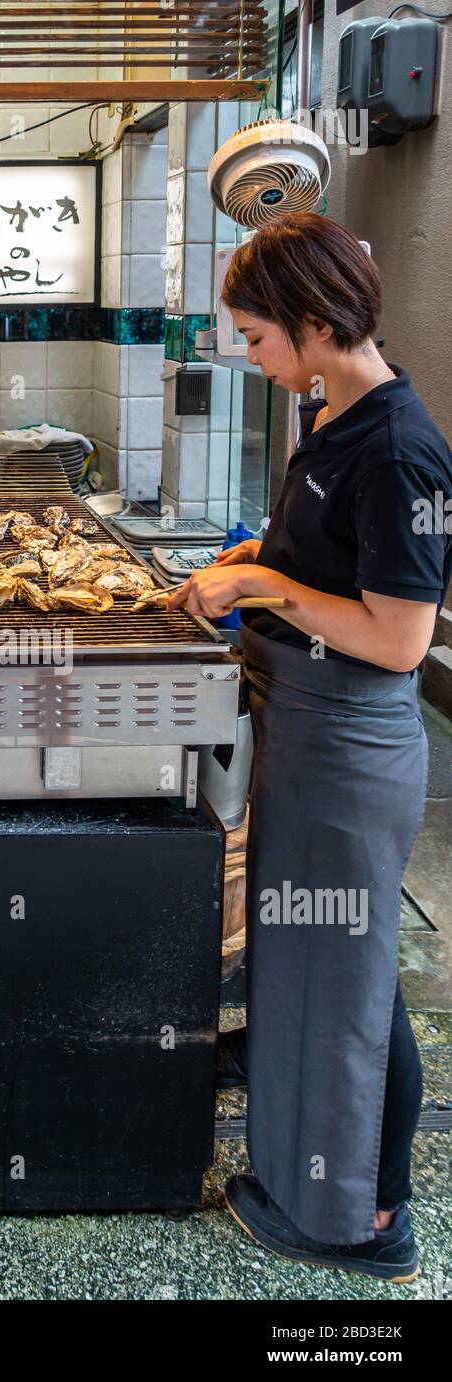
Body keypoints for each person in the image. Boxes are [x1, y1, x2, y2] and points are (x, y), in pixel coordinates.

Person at [169, 211, 452, 1282]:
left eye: (253, 334)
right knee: (315, 964)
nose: (248, 354)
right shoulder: (329, 416)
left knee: (352, 988)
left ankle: (364, 1222)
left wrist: (260, 583)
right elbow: (322, 561)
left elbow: (396, 635)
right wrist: (259, 554)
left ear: (314, 319)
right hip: (301, 723)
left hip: (350, 742)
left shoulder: (401, 447)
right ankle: (302, 1163)